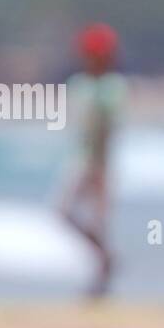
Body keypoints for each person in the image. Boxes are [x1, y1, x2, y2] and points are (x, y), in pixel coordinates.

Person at [59, 22, 125, 298]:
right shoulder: (80, 84)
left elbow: (107, 130)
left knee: (97, 222)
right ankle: (104, 258)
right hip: (82, 160)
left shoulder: (112, 86)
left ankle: (100, 283)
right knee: (64, 213)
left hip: (99, 163)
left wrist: (98, 168)